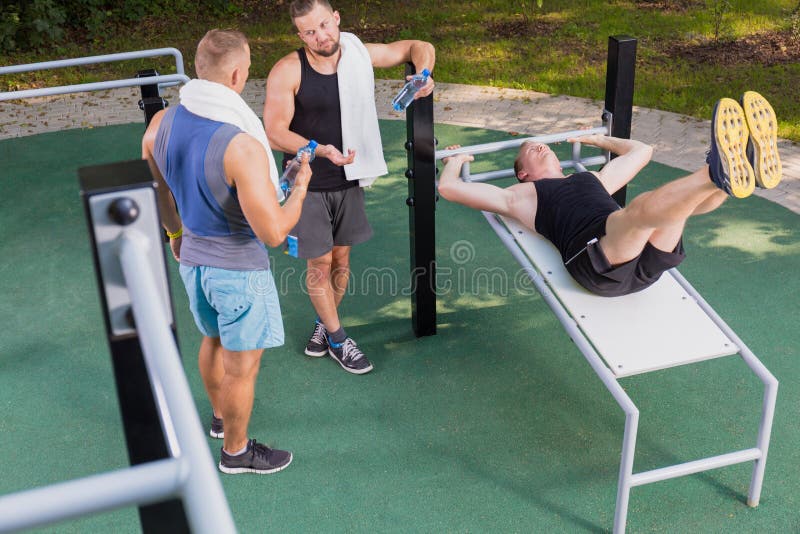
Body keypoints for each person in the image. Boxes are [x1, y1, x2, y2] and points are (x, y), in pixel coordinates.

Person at [142, 29, 312, 474]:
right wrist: (300, 189)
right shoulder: (241, 146)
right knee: (242, 368)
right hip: (237, 270)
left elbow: (161, 192)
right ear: (237, 74)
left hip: (192, 262)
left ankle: (220, 420)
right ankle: (236, 452)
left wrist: (176, 237)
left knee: (212, 339)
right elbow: (274, 232)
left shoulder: (159, 125)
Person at [438, 91, 782, 297]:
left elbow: (641, 151)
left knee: (671, 210)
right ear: (522, 172)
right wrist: (455, 160)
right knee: (642, 209)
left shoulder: (593, 180)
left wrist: (600, 140)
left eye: (543, 144)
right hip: (595, 263)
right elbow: (448, 188)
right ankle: (718, 169)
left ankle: (723, 179)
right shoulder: (520, 196)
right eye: (531, 149)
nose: (540, 146)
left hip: (645, 264)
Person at [263, 0, 435, 374]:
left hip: (350, 177)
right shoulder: (288, 70)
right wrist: (319, 149)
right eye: (310, 31)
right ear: (299, 35)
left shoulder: (356, 51)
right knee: (320, 265)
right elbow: (275, 131)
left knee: (341, 260)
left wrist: (423, 74)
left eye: (324, 25)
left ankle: (325, 325)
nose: (321, 36)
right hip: (308, 182)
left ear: (336, 18)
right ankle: (339, 339)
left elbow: (416, 47)